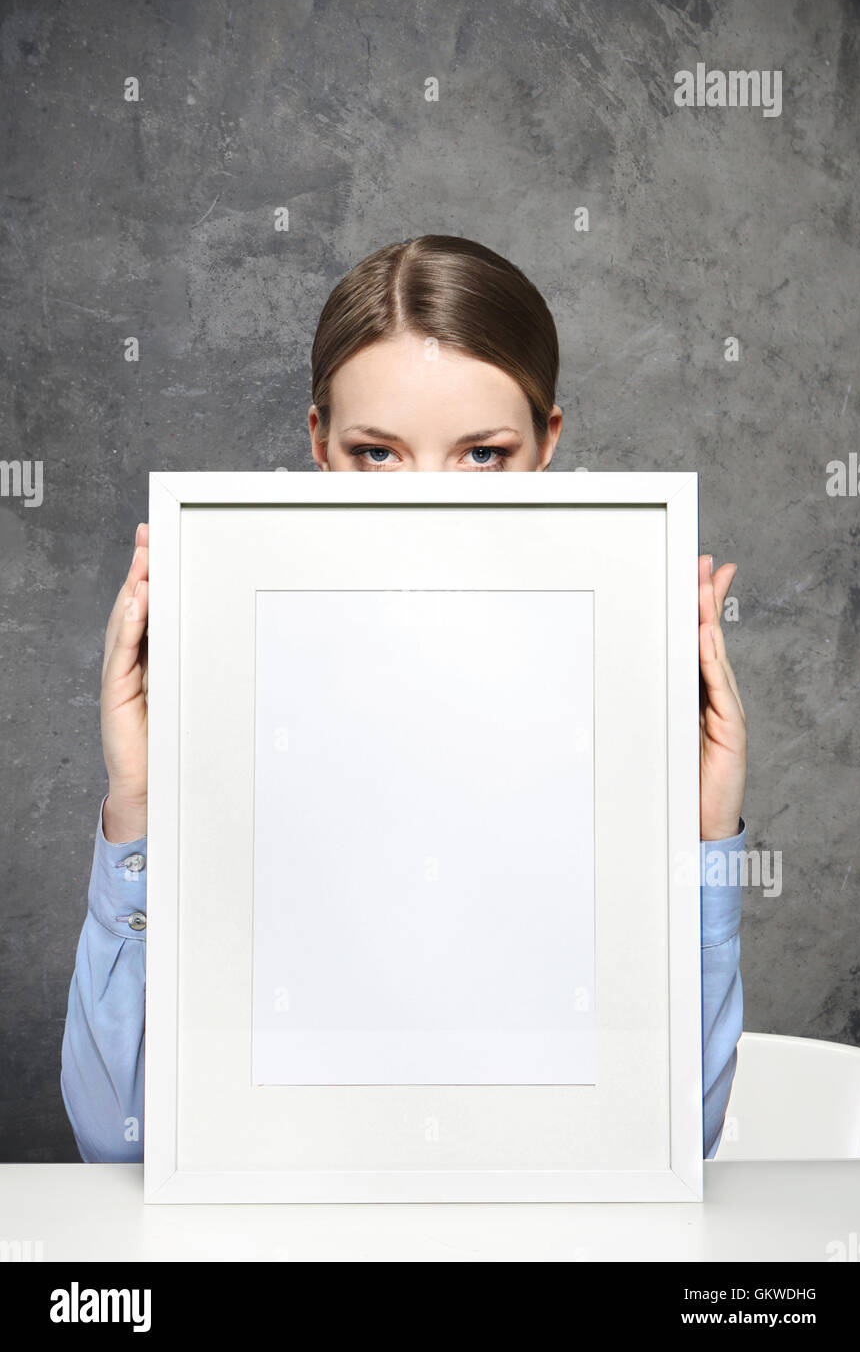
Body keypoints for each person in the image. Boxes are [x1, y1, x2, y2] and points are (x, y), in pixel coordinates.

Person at [61, 235, 747, 1162]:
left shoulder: (608, 712)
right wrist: (139, 806)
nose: (432, 510)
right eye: (379, 454)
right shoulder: (244, 702)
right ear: (319, 447)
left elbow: (673, 1140)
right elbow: (118, 1141)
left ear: (547, 444)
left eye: (482, 456)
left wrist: (704, 840)